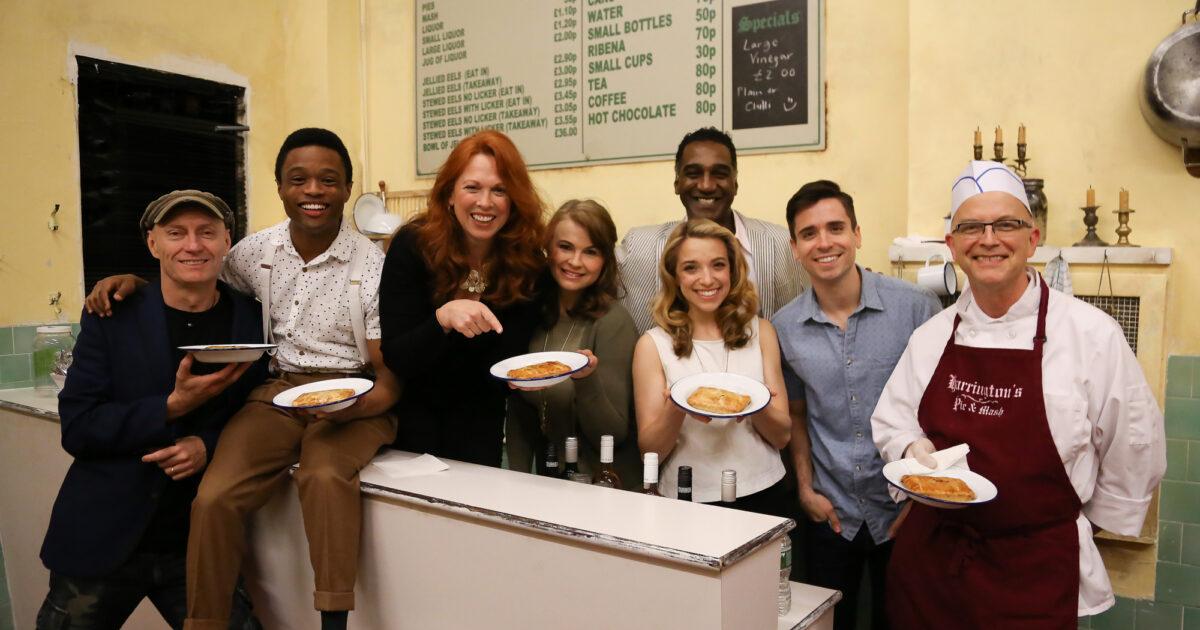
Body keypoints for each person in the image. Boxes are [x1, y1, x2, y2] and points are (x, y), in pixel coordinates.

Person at [87, 128, 402, 630]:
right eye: (298, 179)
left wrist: (356, 407)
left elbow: (389, 375)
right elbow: (194, 273)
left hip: (354, 391)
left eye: (328, 180)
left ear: (347, 189)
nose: (313, 191)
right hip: (278, 392)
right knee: (213, 497)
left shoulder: (374, 265)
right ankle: (206, 623)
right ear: (279, 187)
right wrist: (136, 286)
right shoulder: (255, 252)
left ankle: (333, 620)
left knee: (323, 475)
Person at [871, 161, 1166, 628]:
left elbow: (1135, 447)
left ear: (1033, 238)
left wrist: (1073, 527)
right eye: (971, 227)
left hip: (1034, 569)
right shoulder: (930, 336)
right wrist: (913, 449)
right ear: (952, 245)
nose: (989, 239)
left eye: (1006, 224)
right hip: (931, 566)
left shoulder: (1091, 335)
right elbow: (892, 419)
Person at [40, 190, 264, 630]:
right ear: (153, 244)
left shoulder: (253, 320)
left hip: (198, 545)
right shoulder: (112, 315)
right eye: (176, 233)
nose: (193, 245)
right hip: (104, 534)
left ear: (226, 242)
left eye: (206, 233)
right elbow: (79, 428)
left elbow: (259, 413)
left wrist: (209, 447)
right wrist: (170, 406)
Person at [772, 181, 940, 630]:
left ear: (857, 234)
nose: (824, 243)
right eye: (809, 233)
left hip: (904, 511)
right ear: (794, 247)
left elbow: (940, 412)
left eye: (835, 228)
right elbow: (798, 413)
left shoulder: (917, 308)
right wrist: (806, 491)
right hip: (832, 514)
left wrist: (922, 500)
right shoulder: (784, 328)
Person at [380, 129, 545, 467]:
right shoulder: (412, 247)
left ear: (514, 200)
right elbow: (398, 357)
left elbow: (508, 361)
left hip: (481, 430)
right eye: (473, 187)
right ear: (450, 194)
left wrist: (534, 377)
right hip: (412, 430)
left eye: (500, 190)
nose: (485, 202)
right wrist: (441, 319)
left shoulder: (526, 261)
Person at [632, 219, 791, 508]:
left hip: (765, 491)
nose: (707, 279)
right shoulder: (653, 345)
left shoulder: (761, 332)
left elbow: (782, 436)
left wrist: (757, 405)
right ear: (675, 276)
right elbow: (650, 452)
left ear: (733, 270)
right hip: (689, 498)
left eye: (718, 265)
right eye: (691, 267)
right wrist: (676, 407)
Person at [617, 127, 808, 334]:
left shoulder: (780, 244)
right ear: (677, 183)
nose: (706, 185)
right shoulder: (639, 247)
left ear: (735, 184)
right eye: (693, 174)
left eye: (719, 174)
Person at [505, 200, 640, 487]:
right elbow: (520, 409)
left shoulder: (613, 322)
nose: (575, 262)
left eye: (590, 252)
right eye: (565, 247)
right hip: (552, 482)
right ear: (548, 249)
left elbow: (612, 434)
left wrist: (585, 380)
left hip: (604, 488)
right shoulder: (532, 312)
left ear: (605, 259)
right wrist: (513, 483)